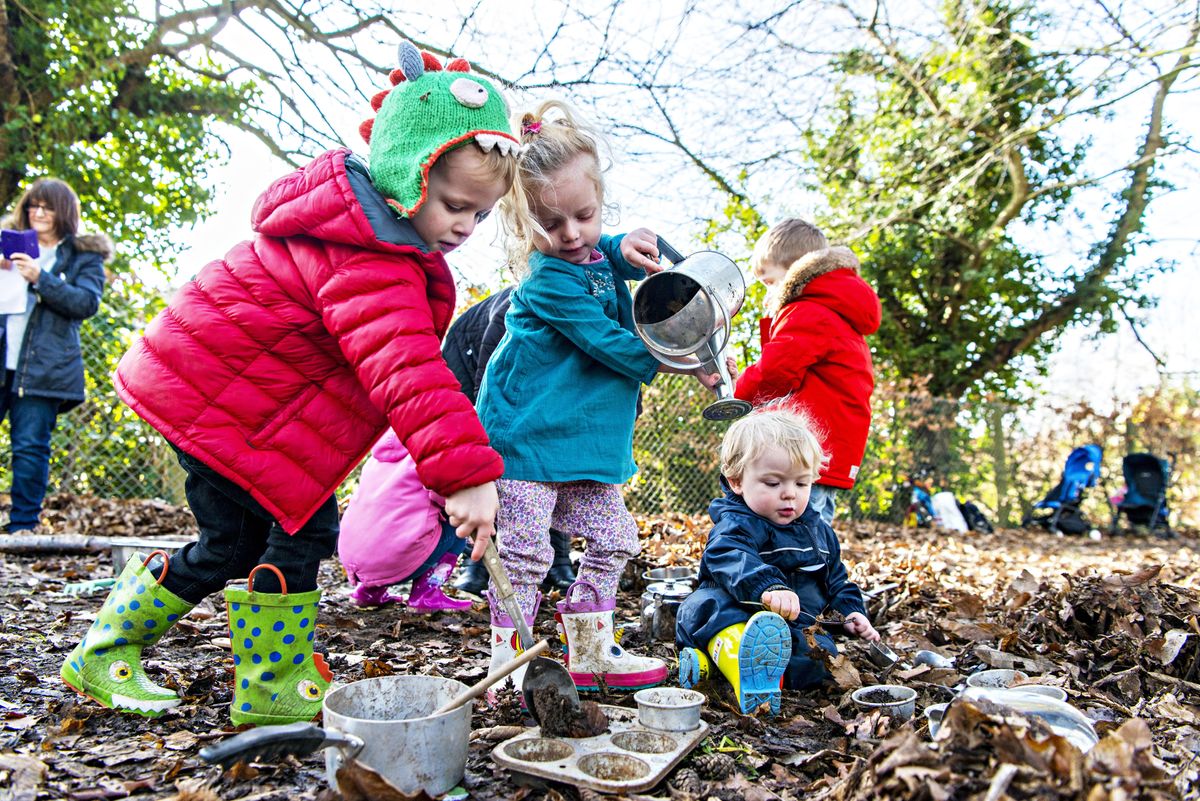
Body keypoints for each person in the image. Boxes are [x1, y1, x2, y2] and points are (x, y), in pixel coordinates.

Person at [59, 42, 520, 725]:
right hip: (215, 406)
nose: (464, 226)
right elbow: (407, 369)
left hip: (224, 405)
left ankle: (145, 652)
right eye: (455, 204)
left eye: (480, 215)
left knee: (237, 544)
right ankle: (262, 680)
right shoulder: (369, 251)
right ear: (405, 172)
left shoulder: (362, 233)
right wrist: (465, 474)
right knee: (300, 530)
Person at [476, 100, 715, 693]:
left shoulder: (588, 251)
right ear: (522, 223)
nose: (572, 234)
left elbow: (601, 253)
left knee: (614, 539)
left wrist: (629, 240)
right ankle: (509, 661)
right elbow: (611, 344)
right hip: (527, 440)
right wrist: (683, 355)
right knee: (528, 555)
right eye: (550, 225)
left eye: (585, 215)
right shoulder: (547, 278)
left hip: (582, 444)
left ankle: (589, 646)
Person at [674, 404, 880, 714]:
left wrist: (850, 612)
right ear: (737, 481)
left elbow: (837, 580)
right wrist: (767, 586)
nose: (790, 494)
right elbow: (729, 555)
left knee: (819, 655)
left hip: (793, 629)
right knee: (704, 608)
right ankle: (735, 663)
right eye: (773, 483)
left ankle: (738, 673)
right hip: (739, 615)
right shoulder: (737, 524)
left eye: (801, 483)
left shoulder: (819, 532)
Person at [733, 219, 880, 526]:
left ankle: (802, 573)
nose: (767, 294)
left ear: (795, 272)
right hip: (830, 442)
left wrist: (738, 393)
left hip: (808, 443)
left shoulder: (808, 312)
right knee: (815, 524)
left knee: (800, 528)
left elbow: (775, 374)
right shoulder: (836, 312)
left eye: (770, 282)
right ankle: (812, 570)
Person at [443, 286, 577, 598]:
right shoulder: (515, 309)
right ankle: (477, 563)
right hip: (470, 362)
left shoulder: (598, 318)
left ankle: (557, 561)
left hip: (545, 388)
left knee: (555, 463)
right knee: (494, 462)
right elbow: (489, 394)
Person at [0, 179, 109, 533]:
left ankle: (22, 528)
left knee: (30, 449)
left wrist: (40, 278)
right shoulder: (6, 244)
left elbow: (85, 303)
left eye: (47, 206)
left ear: (63, 211)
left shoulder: (82, 256)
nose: (38, 212)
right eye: (33, 205)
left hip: (44, 370)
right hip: (3, 359)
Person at [338, 429, 474, 611]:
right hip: (394, 559)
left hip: (354, 558)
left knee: (388, 522)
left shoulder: (378, 457)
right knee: (456, 527)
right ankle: (426, 593)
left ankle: (369, 591)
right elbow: (447, 498)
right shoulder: (430, 452)